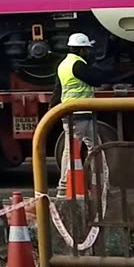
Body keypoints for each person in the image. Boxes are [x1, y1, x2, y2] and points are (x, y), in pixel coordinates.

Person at [52, 32, 112, 196]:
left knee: (94, 147)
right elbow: (96, 79)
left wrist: (53, 110)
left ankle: (101, 184)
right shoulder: (78, 65)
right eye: (87, 49)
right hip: (79, 114)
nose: (89, 52)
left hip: (77, 114)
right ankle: (65, 187)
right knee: (75, 150)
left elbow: (58, 89)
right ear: (81, 49)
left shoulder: (64, 64)